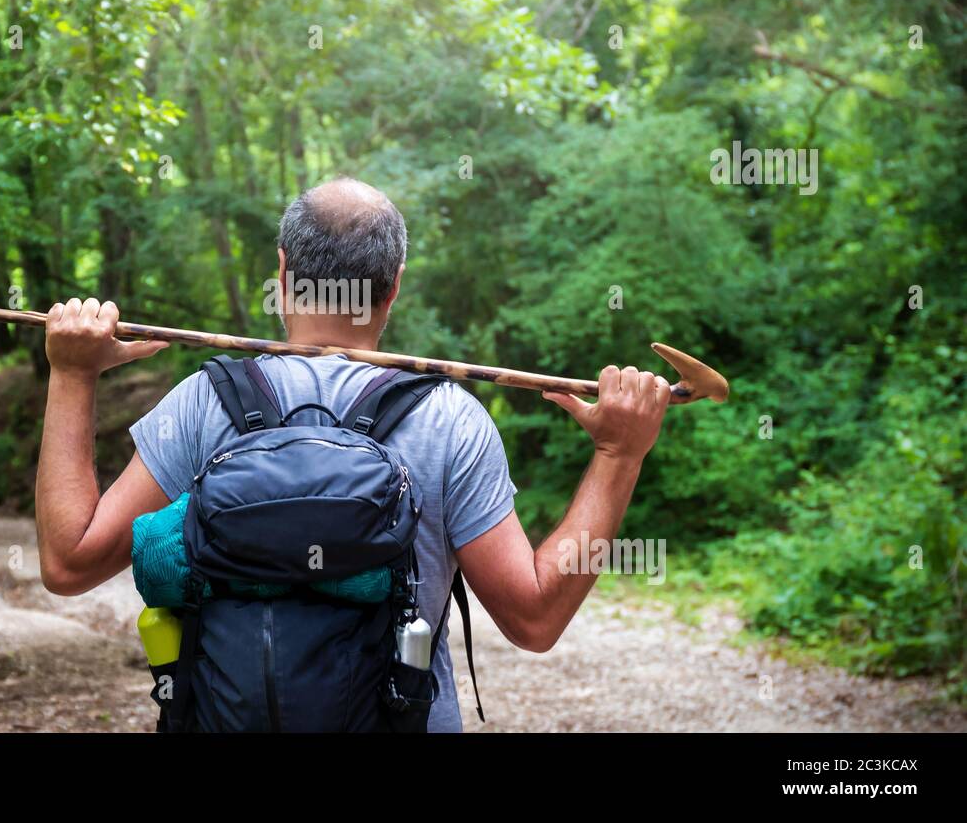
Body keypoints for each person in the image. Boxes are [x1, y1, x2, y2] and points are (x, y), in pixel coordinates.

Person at [34, 176, 670, 731]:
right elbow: (534, 619)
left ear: (281, 273)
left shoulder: (205, 404)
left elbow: (69, 564)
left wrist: (71, 375)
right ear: (393, 288)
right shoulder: (448, 421)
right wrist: (617, 454)